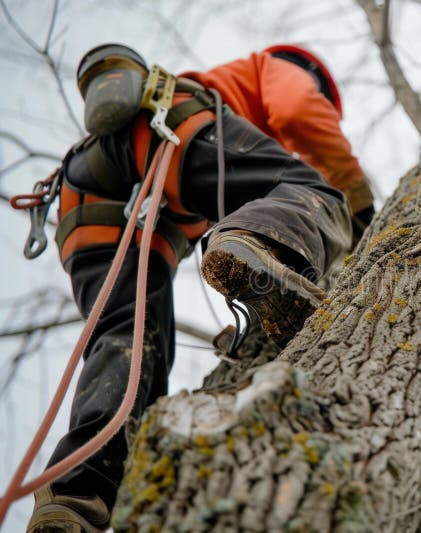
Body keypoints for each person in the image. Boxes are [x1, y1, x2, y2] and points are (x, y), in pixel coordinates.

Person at [26, 43, 374, 532]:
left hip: (82, 201)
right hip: (166, 136)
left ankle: (73, 497)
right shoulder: (279, 69)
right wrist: (359, 203)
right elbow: (297, 109)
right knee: (317, 194)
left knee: (127, 341)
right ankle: (256, 243)